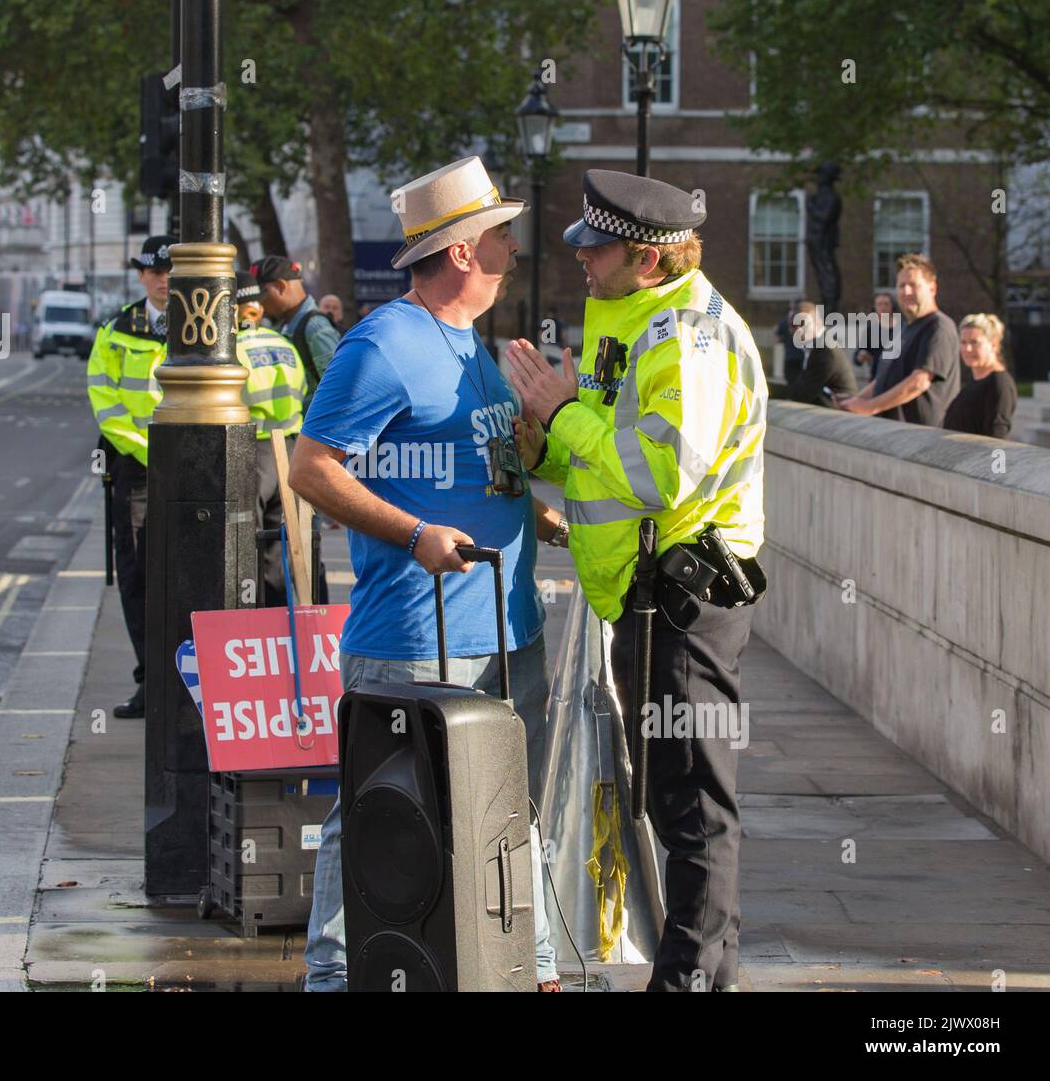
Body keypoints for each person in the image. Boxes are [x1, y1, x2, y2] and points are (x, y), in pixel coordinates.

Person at [289, 155, 560, 992]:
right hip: (415, 636)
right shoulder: (385, 343)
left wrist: (531, 483)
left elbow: (474, 462)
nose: (514, 248)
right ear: (462, 255)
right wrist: (414, 535)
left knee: (509, 811)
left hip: (509, 630)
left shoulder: (474, 345)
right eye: (500, 235)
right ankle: (333, 978)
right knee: (378, 819)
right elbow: (311, 468)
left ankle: (530, 964)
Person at [507, 169, 767, 993]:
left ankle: (686, 976)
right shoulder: (638, 316)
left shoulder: (687, 335)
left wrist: (562, 414)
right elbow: (605, 454)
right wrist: (541, 446)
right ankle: (709, 974)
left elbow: (664, 475)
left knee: (693, 806)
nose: (581, 261)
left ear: (647, 260)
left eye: (598, 249)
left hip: (685, 599)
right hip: (648, 597)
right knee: (675, 797)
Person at [86, 235, 171, 719]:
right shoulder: (117, 329)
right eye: (153, 271)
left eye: (169, 271)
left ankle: (191, 679)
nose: (162, 279)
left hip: (192, 467)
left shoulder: (203, 324)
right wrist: (149, 450)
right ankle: (150, 681)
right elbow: (106, 400)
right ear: (141, 276)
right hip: (135, 468)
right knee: (137, 574)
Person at [233, 270, 314, 604]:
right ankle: (281, 624)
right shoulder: (283, 344)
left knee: (244, 542)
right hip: (290, 446)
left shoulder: (233, 348)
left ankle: (251, 617)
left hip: (253, 448)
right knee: (282, 545)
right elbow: (304, 390)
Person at [836, 253, 959, 425]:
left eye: (913, 285)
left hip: (924, 439)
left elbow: (919, 382)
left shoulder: (939, 327)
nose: (906, 292)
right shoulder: (905, 328)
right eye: (901, 286)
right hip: (894, 433)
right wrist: (854, 402)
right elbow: (885, 377)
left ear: (932, 288)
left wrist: (870, 407)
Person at [251, 255, 341, 399]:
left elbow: (339, 389)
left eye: (262, 295)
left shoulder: (315, 328)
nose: (259, 304)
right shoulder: (285, 325)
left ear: (281, 287)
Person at [943, 313, 1018, 439]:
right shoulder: (975, 382)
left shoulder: (999, 382)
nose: (967, 349)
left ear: (994, 345)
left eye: (974, 342)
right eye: (963, 342)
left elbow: (997, 436)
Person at [787, 300, 856, 408]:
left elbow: (804, 394)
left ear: (817, 322)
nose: (798, 330)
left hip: (840, 412)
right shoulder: (815, 345)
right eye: (793, 326)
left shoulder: (825, 350)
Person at [855, 292, 894, 381]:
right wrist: (862, 356)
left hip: (897, 379)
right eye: (879, 304)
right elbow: (857, 357)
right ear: (875, 307)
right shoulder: (870, 330)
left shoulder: (902, 328)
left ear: (892, 306)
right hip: (876, 379)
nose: (883, 307)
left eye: (886, 304)